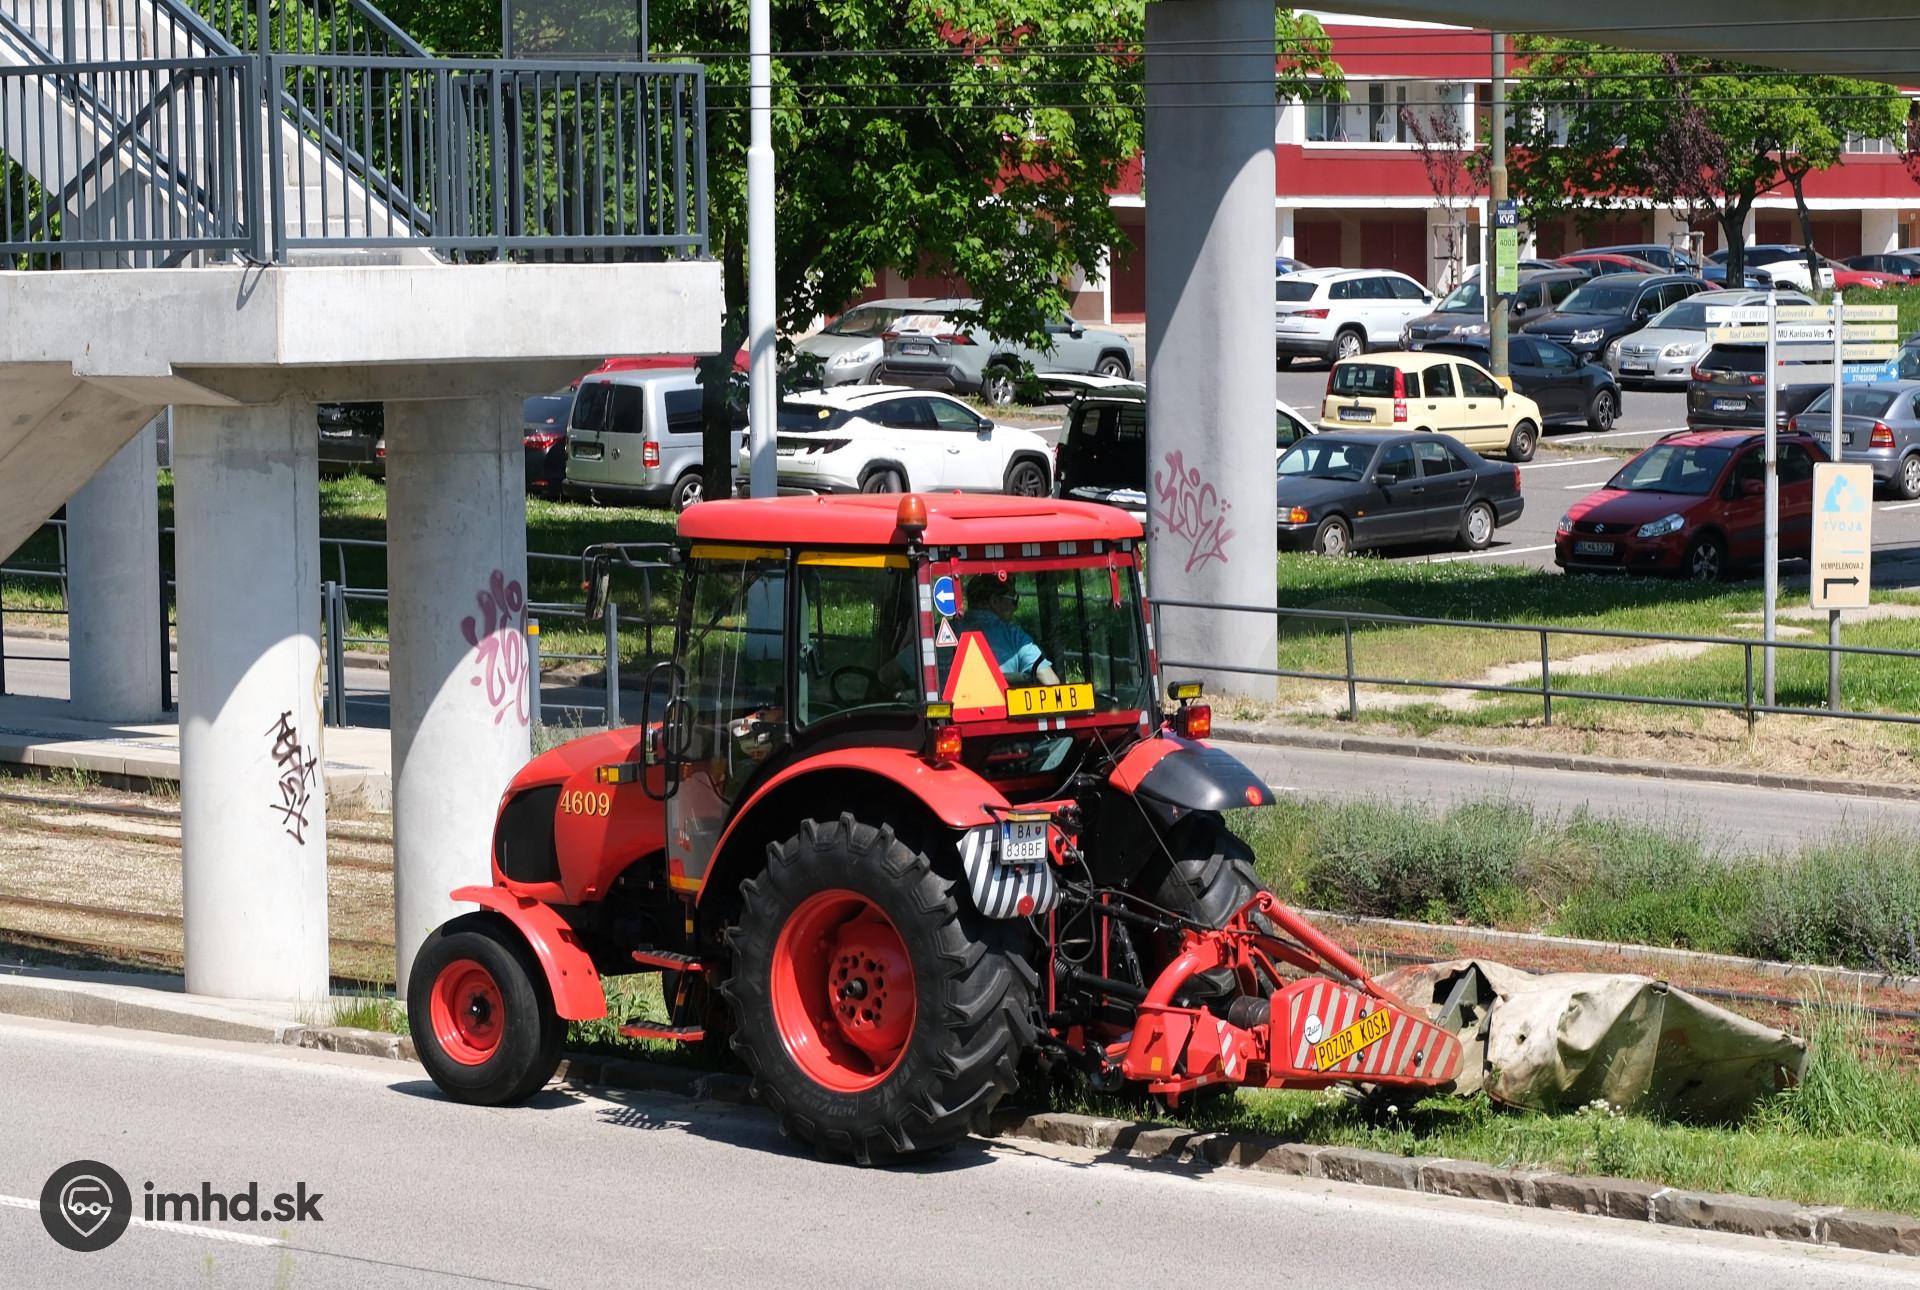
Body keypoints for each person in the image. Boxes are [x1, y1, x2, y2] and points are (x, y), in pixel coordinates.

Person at [954, 575, 1060, 686]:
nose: (1015, 608)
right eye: (1014, 600)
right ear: (995, 601)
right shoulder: (1014, 636)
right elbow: (1050, 681)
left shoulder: (949, 633)